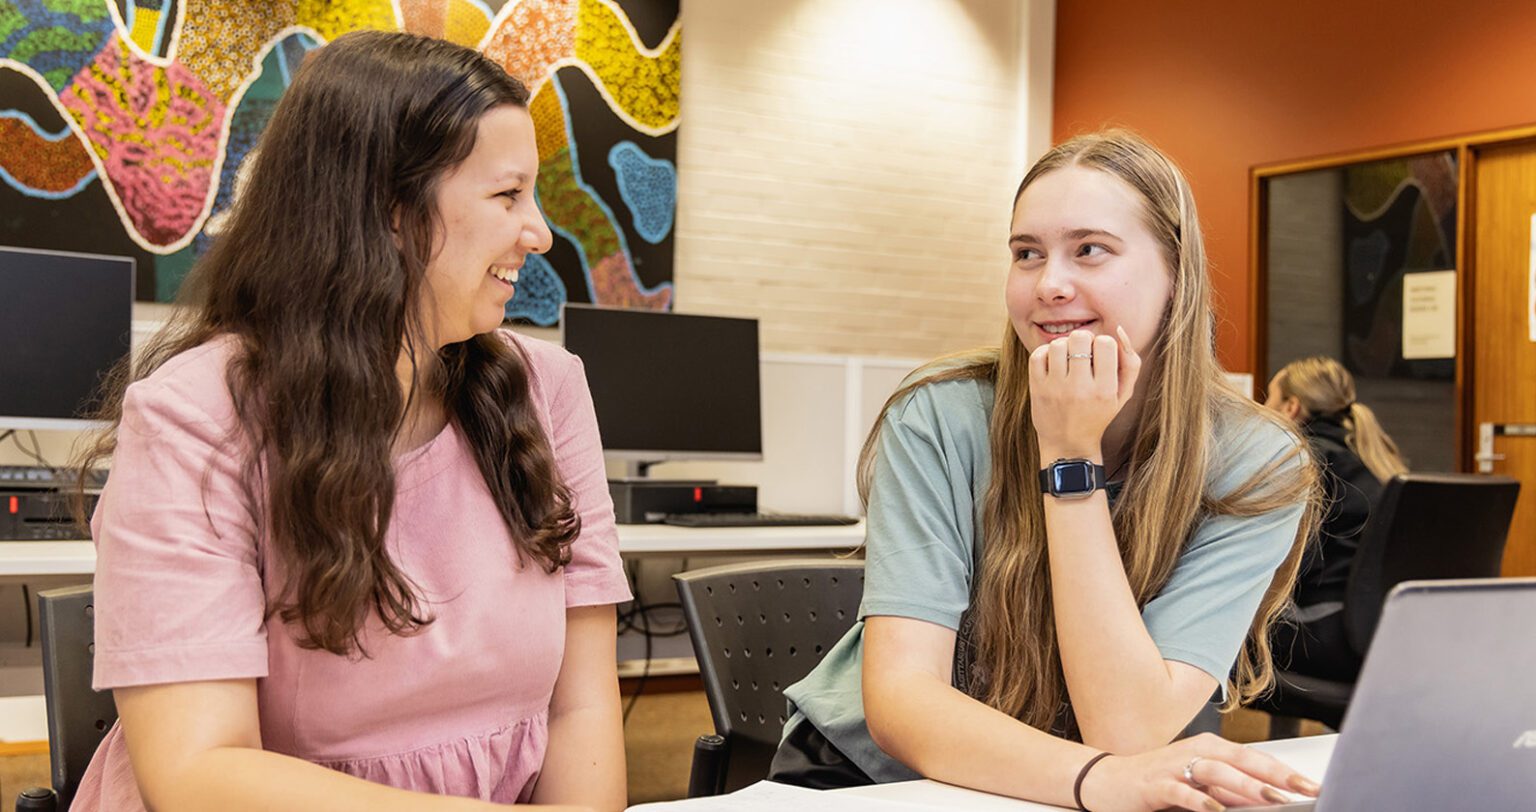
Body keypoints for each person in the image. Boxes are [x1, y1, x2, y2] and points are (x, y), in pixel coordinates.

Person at [69, 31, 629, 812]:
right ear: (389, 212)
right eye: (507, 195)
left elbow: (581, 706)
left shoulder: (549, 389)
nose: (537, 233)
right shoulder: (195, 418)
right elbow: (197, 772)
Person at [768, 130, 1325, 812]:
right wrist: (1067, 454)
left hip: (1092, 782)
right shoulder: (939, 415)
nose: (1049, 285)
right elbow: (903, 701)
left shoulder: (1255, 462)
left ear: (1177, 272)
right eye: (1027, 254)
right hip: (880, 779)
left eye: (1089, 250)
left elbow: (1126, 727)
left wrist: (1070, 460)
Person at [1265, 356, 1409, 681]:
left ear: (1291, 407)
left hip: (1324, 634)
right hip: (1381, 633)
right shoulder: (1373, 459)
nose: (1263, 408)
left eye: (1269, 398)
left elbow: (1291, 565)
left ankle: (1193, 734)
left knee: (1204, 633)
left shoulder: (1302, 460)